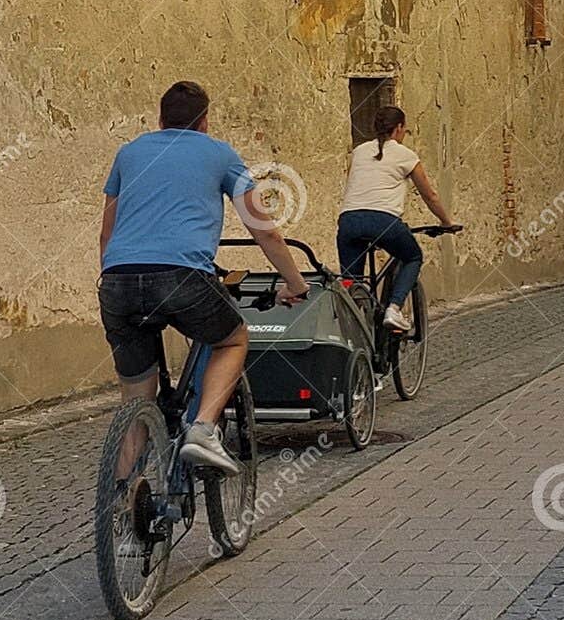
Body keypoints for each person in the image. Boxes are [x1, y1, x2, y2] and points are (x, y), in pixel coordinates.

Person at [98, 80, 309, 474]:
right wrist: (295, 283)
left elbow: (106, 233)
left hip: (117, 281)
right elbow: (263, 230)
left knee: (136, 401)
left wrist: (113, 282)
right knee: (232, 338)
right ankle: (203, 431)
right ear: (205, 122)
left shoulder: (128, 153)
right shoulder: (220, 154)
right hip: (182, 279)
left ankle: (124, 511)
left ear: (159, 119)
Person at [337, 106, 454, 330]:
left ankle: (352, 327)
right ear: (399, 128)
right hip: (384, 222)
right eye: (404, 129)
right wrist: (446, 223)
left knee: (351, 281)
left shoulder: (360, 151)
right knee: (412, 257)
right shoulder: (406, 155)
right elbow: (430, 195)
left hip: (348, 221)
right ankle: (394, 308)